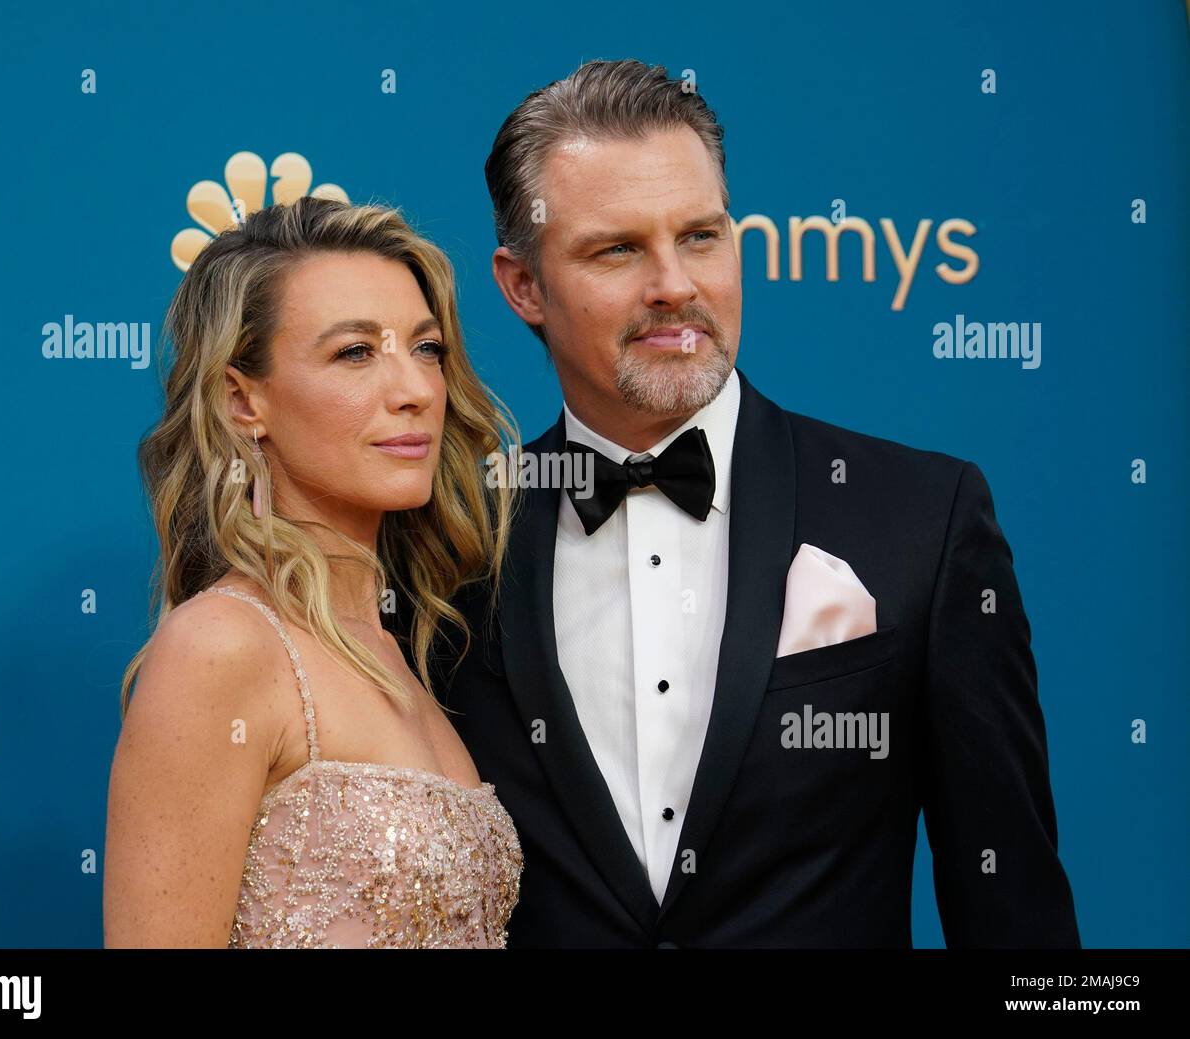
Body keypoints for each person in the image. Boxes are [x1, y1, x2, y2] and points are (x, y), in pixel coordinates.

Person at [406, 58, 1081, 948]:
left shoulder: (923, 516)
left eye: (702, 236)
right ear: (523, 285)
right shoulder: (449, 543)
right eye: (618, 249)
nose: (674, 285)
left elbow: (1016, 912)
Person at [103, 196, 523, 948]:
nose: (417, 390)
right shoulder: (223, 647)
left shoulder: (412, 648)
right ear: (242, 400)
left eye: (425, 348)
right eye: (356, 353)